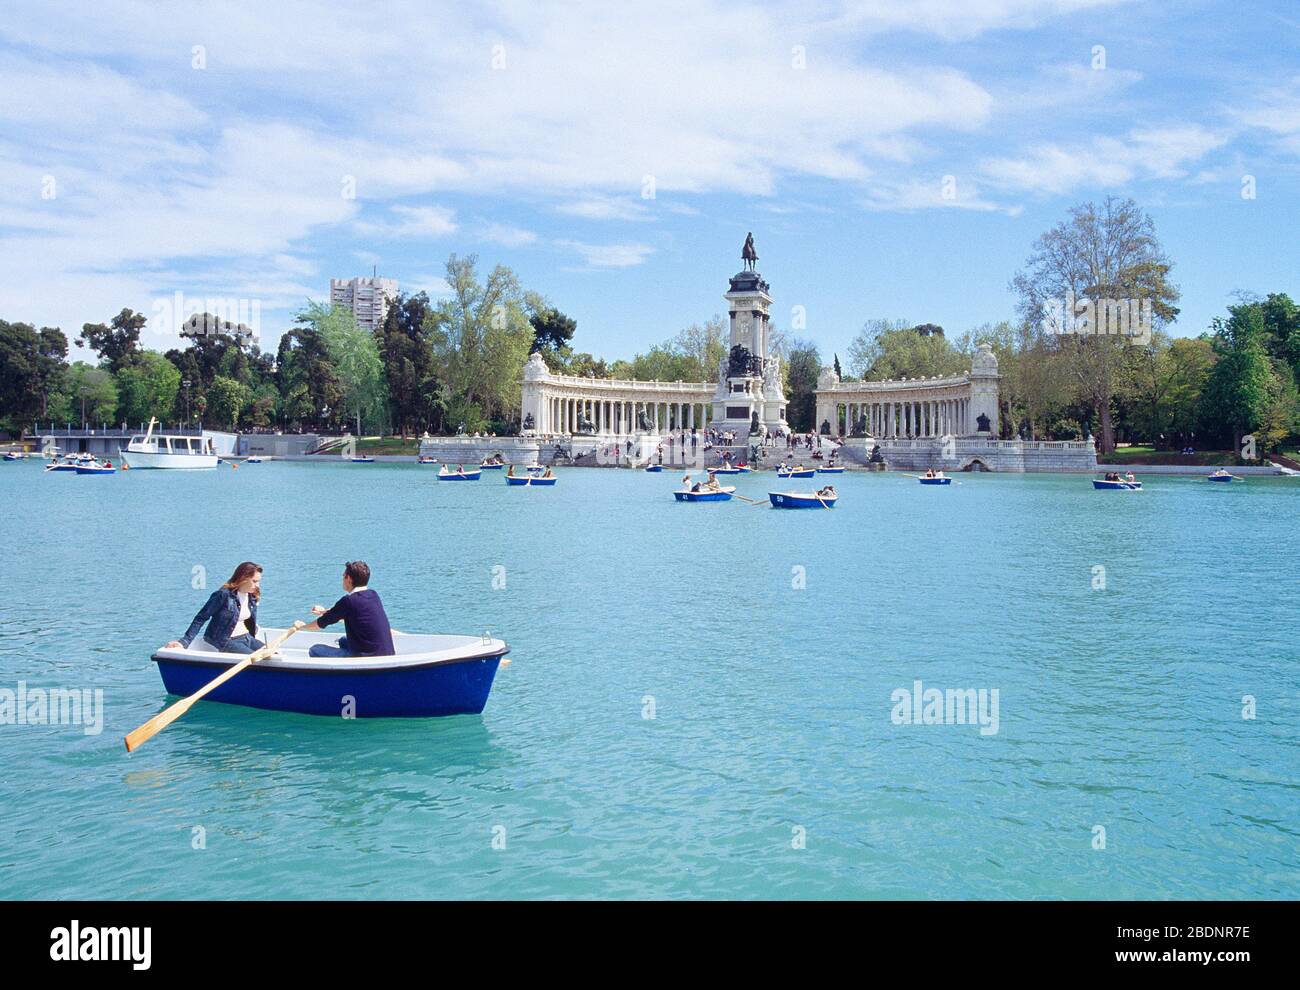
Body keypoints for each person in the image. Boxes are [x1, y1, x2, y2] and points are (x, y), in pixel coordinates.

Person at [300, 561, 396, 658]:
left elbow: (318, 625)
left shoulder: (348, 601)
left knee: (315, 650)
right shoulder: (373, 595)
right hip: (387, 653)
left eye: (343, 576)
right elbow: (350, 613)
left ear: (349, 578)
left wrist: (301, 627)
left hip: (364, 658)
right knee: (342, 640)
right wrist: (323, 612)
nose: (342, 580)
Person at [165, 561, 265, 654]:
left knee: (274, 655)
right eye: (254, 581)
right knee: (256, 659)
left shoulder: (252, 596)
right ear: (243, 578)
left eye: (259, 581)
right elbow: (201, 618)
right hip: (227, 641)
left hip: (247, 638)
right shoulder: (223, 595)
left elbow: (249, 620)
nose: (257, 585)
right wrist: (184, 642)